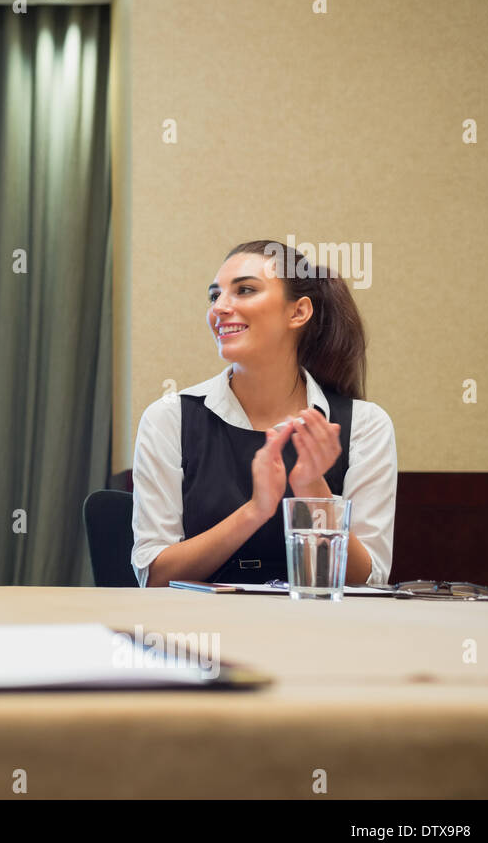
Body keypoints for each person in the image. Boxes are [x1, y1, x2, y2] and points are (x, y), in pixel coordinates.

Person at [131, 240, 396, 587]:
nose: (220, 308)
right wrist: (254, 511)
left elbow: (368, 579)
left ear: (298, 312)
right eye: (214, 296)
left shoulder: (366, 425)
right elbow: (154, 575)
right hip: (202, 633)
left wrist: (311, 490)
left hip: (319, 633)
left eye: (244, 290)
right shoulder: (168, 418)